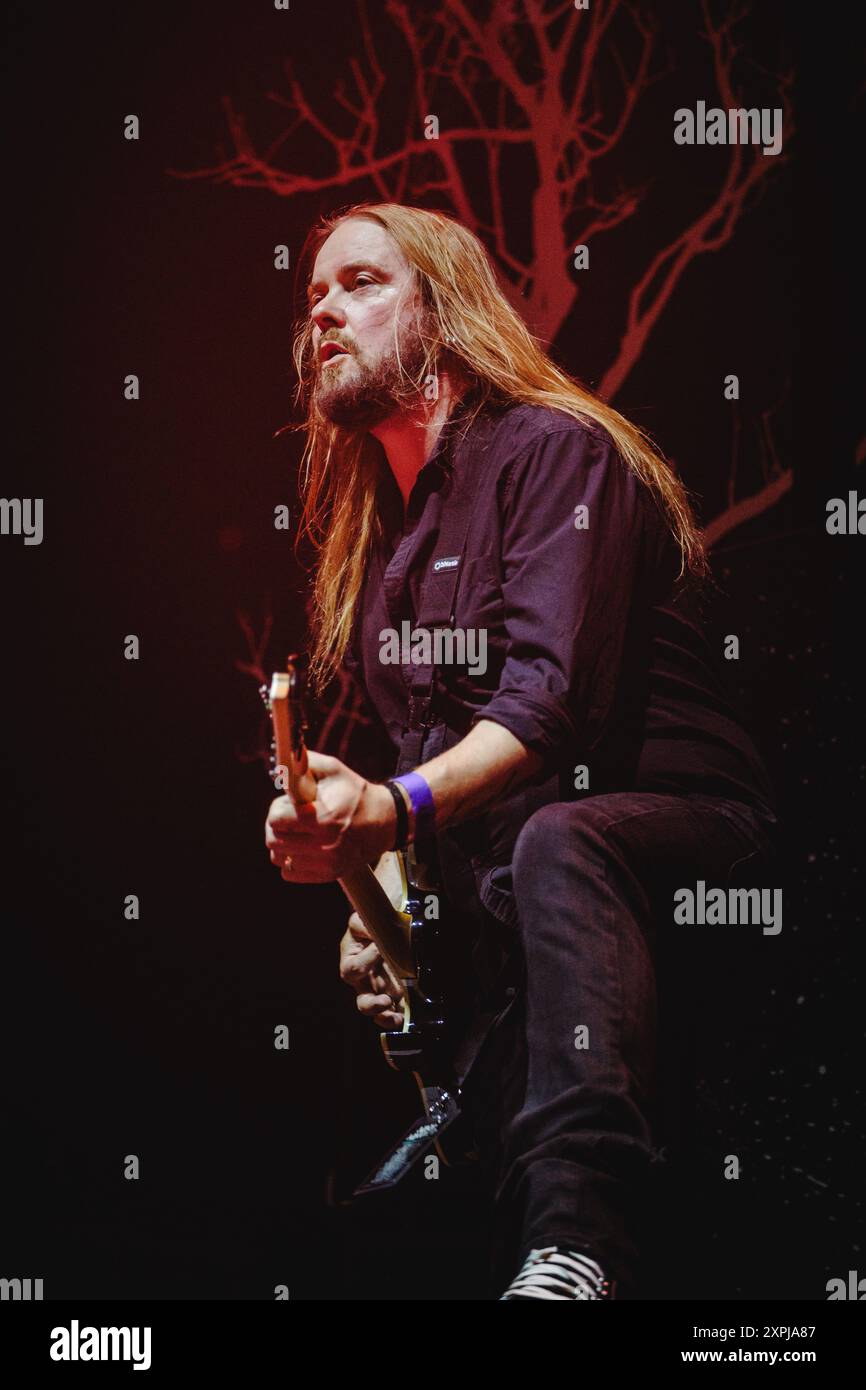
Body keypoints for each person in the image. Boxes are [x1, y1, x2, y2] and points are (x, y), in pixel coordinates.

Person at [264, 201, 779, 1300]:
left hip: (678, 829)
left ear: (440, 313)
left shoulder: (555, 450)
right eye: (311, 297)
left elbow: (549, 709)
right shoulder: (387, 558)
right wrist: (377, 899)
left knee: (556, 840)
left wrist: (391, 809)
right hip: (524, 881)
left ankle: (580, 1244)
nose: (323, 314)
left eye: (358, 284)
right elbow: (441, 780)